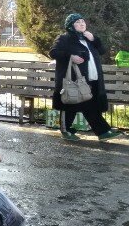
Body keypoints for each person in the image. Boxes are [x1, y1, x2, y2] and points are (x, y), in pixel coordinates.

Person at [50, 13, 122, 141]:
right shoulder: (65, 38)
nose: (82, 23)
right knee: (70, 103)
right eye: (77, 22)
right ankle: (66, 130)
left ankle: (103, 132)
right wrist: (70, 56)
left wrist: (94, 39)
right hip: (74, 79)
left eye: (83, 21)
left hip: (92, 78)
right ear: (70, 25)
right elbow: (53, 52)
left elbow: (102, 51)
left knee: (91, 106)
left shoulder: (88, 38)